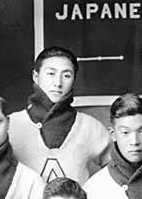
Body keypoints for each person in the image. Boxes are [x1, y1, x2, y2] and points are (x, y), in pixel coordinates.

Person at [8, 46, 110, 185]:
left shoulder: (90, 127)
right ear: (36, 77)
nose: (58, 83)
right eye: (51, 74)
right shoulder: (11, 125)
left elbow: (118, 169)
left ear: (74, 79)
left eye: (66, 75)